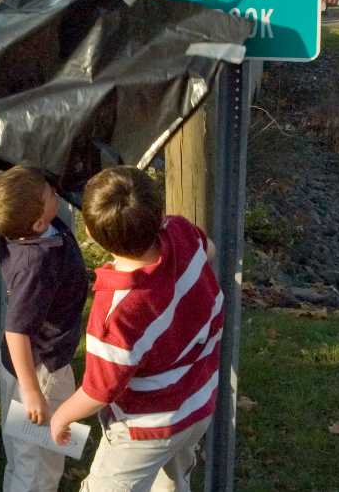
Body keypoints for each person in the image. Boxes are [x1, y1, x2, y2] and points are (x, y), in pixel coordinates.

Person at [49, 167, 222, 491]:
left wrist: (62, 416)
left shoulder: (115, 314)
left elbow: (99, 390)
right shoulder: (182, 232)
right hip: (197, 403)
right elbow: (208, 249)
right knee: (171, 482)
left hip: (145, 429)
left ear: (89, 231)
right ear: (159, 216)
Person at [0, 167, 88, 492]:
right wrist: (32, 393)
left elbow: (2, 194)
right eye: (49, 193)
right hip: (40, 371)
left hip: (30, 366)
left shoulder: (25, 228)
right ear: (38, 222)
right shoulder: (34, 265)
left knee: (24, 457)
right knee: (38, 465)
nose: (55, 189)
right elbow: (16, 331)